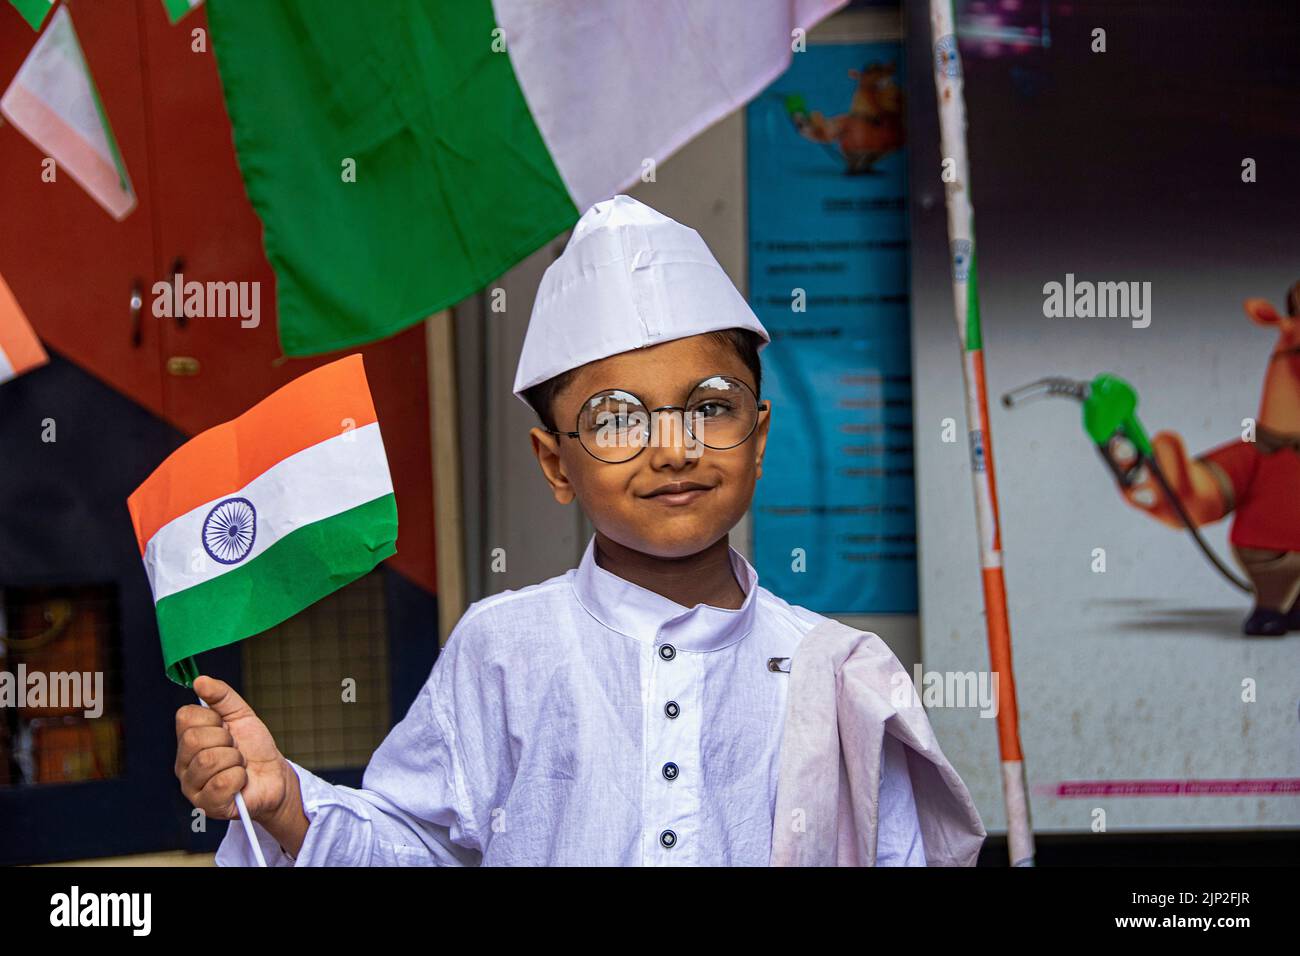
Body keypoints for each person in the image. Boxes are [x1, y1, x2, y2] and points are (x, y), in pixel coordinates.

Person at [176, 195, 953, 866]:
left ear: (759, 435)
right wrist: (283, 801)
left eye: (711, 406)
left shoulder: (836, 671)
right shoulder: (505, 649)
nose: (673, 448)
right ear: (554, 462)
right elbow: (417, 846)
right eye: (616, 419)